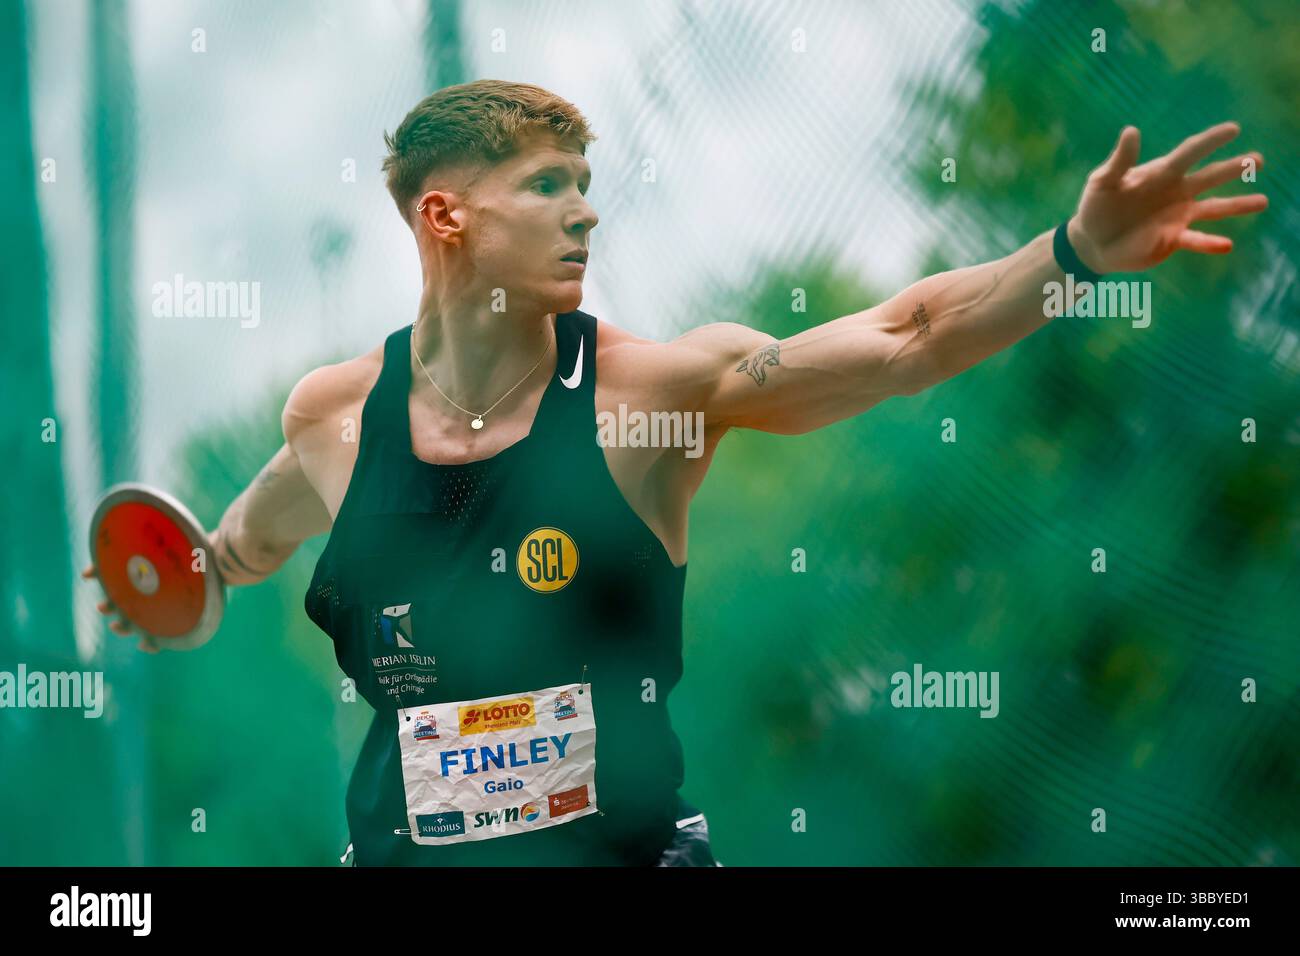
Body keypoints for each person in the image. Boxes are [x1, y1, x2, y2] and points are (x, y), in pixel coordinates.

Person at [85, 79, 1266, 866]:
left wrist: (1072, 254)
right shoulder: (334, 418)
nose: (584, 214)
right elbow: (251, 532)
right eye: (547, 185)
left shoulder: (651, 397)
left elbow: (910, 337)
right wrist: (187, 571)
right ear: (445, 217)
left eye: (585, 184)